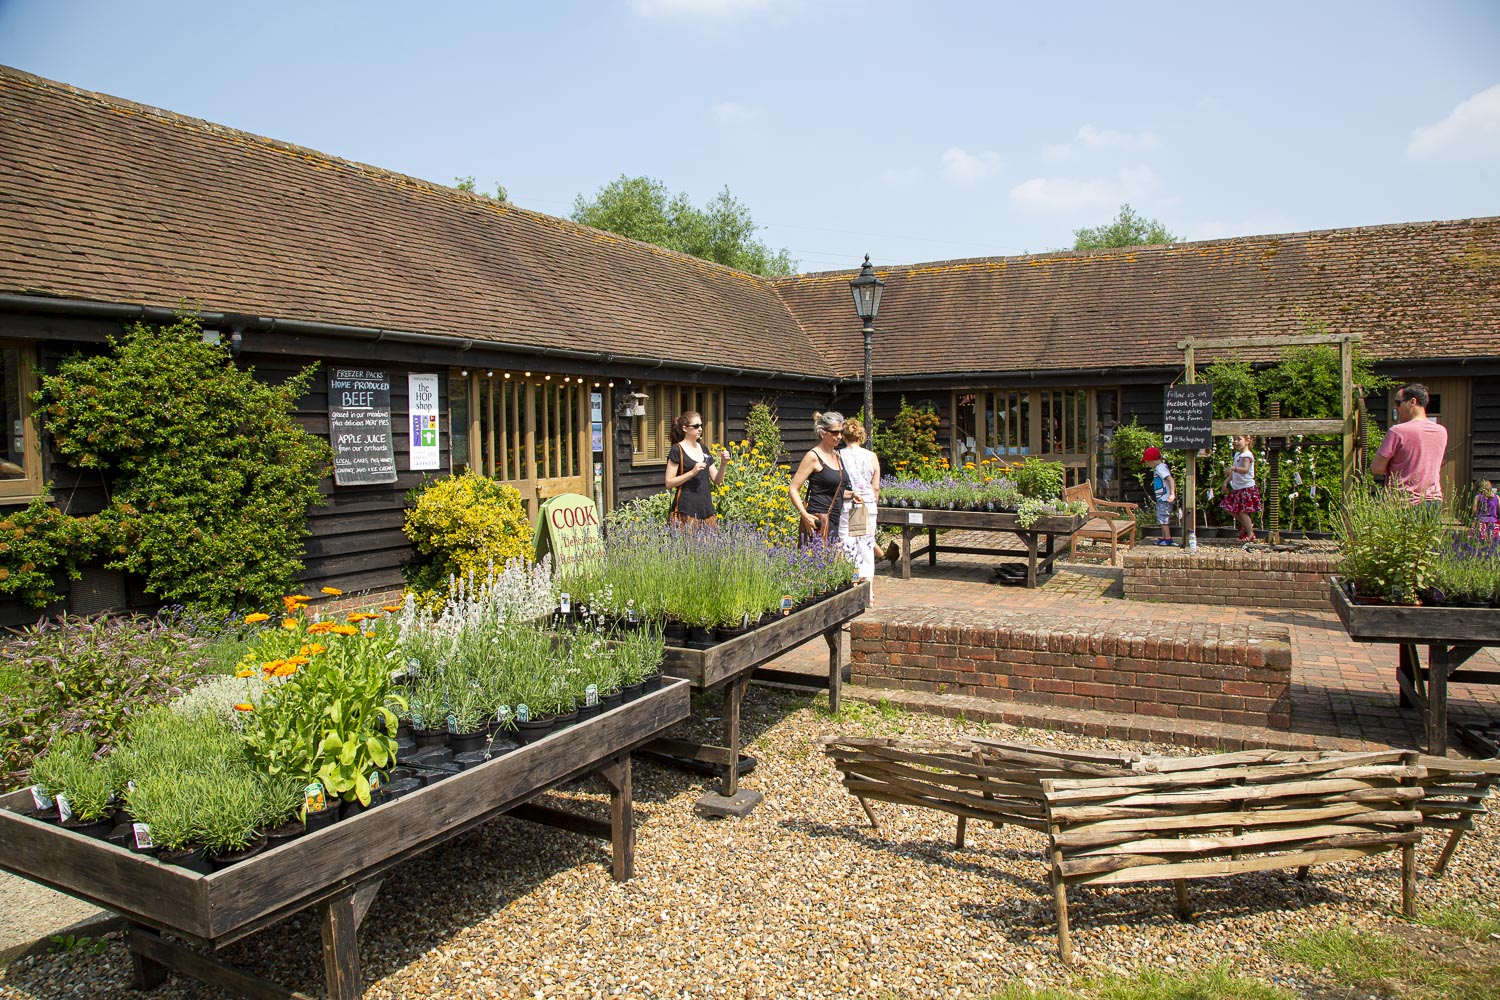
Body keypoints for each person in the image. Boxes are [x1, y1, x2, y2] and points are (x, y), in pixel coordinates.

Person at [1372, 383, 1447, 512]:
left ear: (1412, 402)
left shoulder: (1397, 431)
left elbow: (1376, 467)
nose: (1395, 407)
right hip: (1434, 502)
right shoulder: (1441, 431)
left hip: (1405, 503)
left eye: (1398, 403)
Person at [789, 411, 846, 548]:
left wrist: (853, 494)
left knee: (834, 560)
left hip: (835, 518)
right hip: (818, 519)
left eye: (841, 432)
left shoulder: (837, 455)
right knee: (828, 559)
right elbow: (793, 489)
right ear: (822, 433)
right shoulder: (813, 457)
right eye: (835, 432)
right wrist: (804, 515)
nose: (839, 436)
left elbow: (833, 488)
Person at [837, 417, 881, 586]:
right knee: (866, 545)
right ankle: (868, 588)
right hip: (867, 503)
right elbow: (875, 487)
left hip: (848, 503)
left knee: (848, 545)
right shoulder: (871, 456)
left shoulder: (839, 455)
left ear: (844, 436)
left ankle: (853, 582)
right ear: (861, 435)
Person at [664, 410, 728, 528]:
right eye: (696, 426)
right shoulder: (677, 450)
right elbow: (669, 482)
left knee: (711, 540)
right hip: (686, 509)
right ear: (685, 428)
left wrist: (723, 464)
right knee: (687, 540)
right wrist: (692, 472)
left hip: (706, 510)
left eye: (701, 425)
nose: (700, 429)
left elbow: (717, 480)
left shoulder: (704, 449)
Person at [1219, 434, 1263, 543]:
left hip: (1246, 487)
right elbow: (1234, 473)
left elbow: (1245, 469)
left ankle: (1250, 534)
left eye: (1239, 439)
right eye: (1234, 439)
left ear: (1247, 441)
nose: (1236, 442)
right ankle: (1246, 525)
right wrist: (1226, 481)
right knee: (1228, 507)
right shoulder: (1237, 455)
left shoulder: (1247, 455)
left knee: (1242, 511)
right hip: (1238, 488)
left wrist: (1233, 468)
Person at [1142, 446, 1175, 546]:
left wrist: (1172, 494)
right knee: (1161, 518)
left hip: (1165, 499)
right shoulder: (1159, 468)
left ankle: (1168, 538)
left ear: (1151, 461)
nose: (1147, 464)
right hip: (1162, 498)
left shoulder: (1160, 468)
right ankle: (1165, 537)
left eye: (1147, 462)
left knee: (1163, 519)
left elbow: (1170, 479)